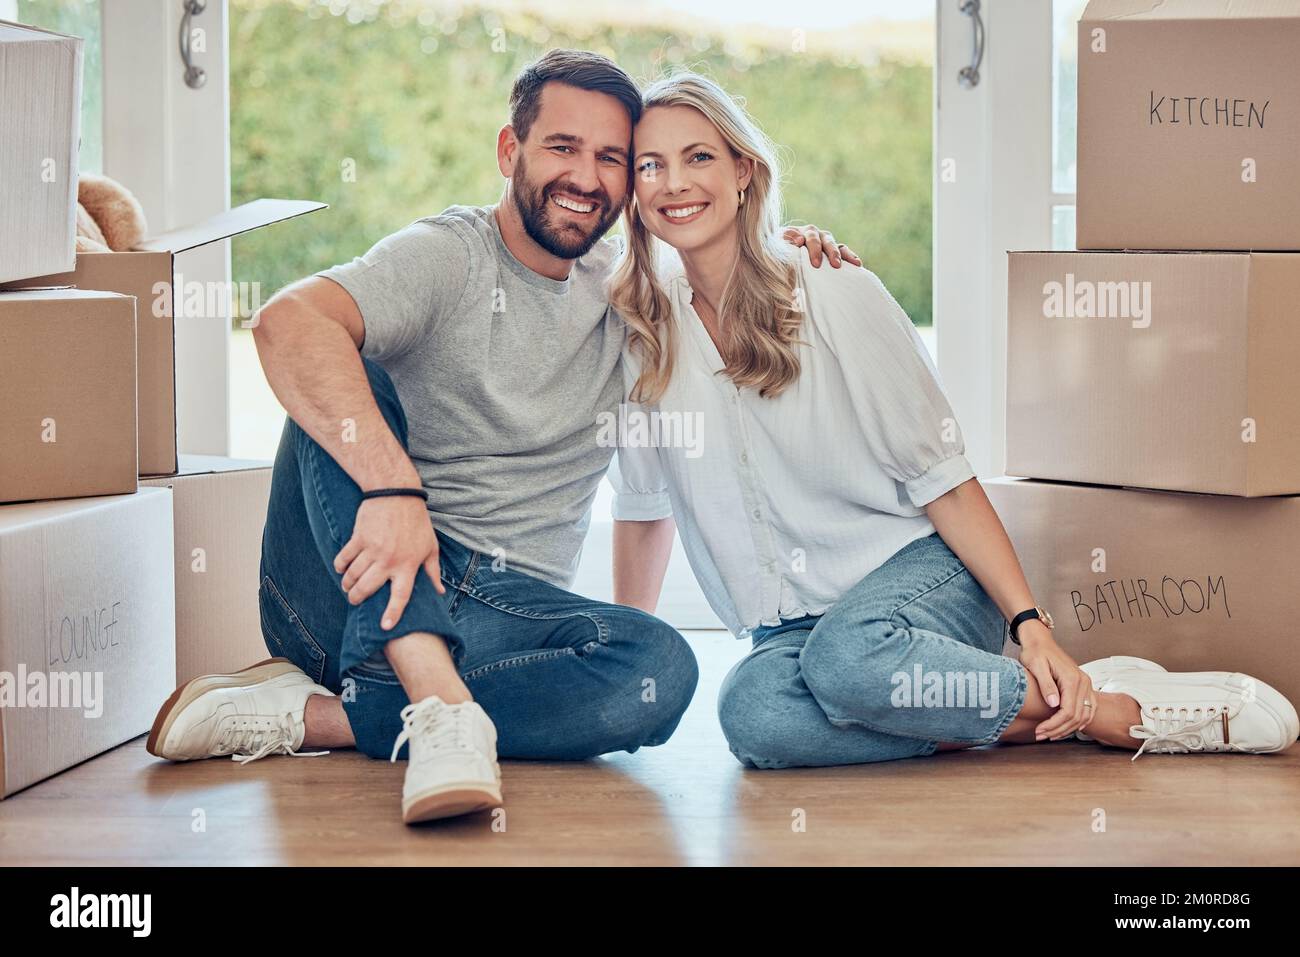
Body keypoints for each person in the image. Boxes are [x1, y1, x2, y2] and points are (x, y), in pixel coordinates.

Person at [145, 50, 858, 824]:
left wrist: (783, 243)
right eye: (562, 147)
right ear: (509, 151)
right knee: (347, 374)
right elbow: (287, 321)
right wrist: (393, 488)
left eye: (610, 158)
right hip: (349, 588)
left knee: (660, 666)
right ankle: (442, 709)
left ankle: (321, 717)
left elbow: (720, 257)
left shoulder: (631, 292)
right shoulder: (448, 256)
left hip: (499, 615)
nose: (585, 177)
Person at [607, 71, 1300, 768]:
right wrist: (630, 666)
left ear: (743, 173)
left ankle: (1117, 707)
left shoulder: (832, 290)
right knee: (753, 714)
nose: (674, 183)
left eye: (698, 156)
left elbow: (946, 479)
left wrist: (1030, 625)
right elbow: (643, 509)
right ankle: (1043, 709)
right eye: (650, 165)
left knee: (847, 658)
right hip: (795, 628)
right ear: (635, 191)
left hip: (926, 577)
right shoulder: (643, 333)